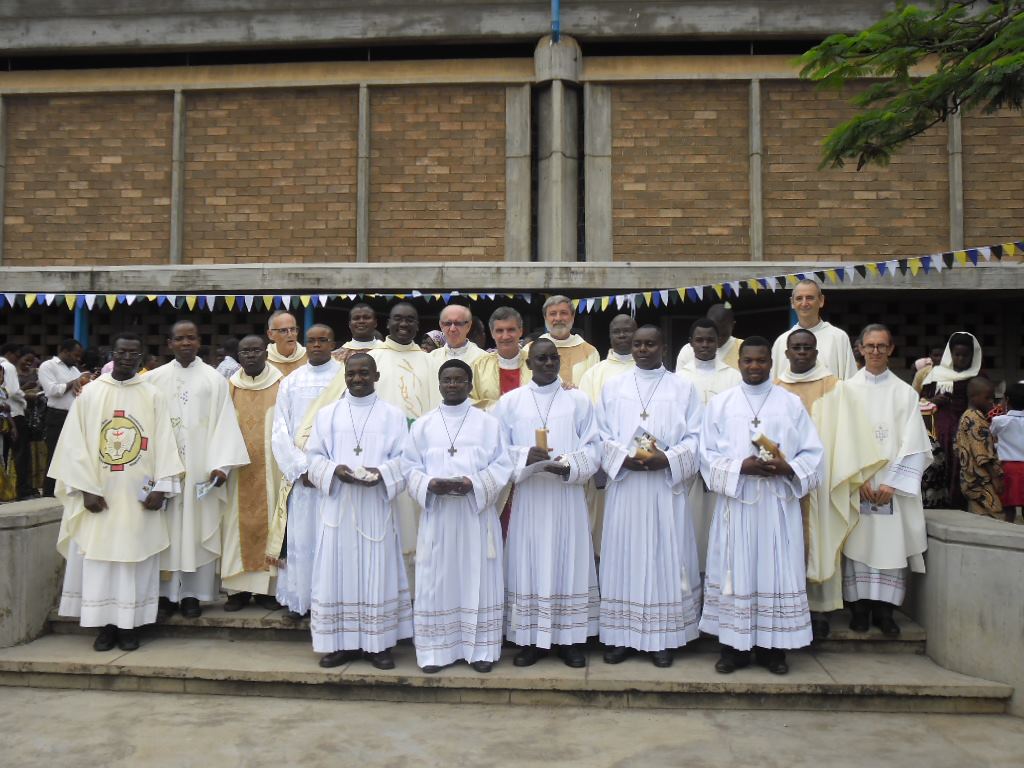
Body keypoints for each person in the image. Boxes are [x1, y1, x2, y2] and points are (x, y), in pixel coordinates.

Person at [51, 332, 184, 652]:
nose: (127, 358)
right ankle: (105, 626)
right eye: (122, 352)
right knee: (101, 559)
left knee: (136, 559)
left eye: (133, 353)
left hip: (139, 496)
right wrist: (84, 490)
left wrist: (163, 489)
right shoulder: (91, 394)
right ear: (113, 354)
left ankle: (131, 626)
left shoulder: (152, 395)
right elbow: (74, 445)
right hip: (101, 493)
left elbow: (166, 441)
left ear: (140, 357)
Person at [700, 337, 823, 675]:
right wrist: (741, 466)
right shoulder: (721, 404)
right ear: (738, 363)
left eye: (761, 361)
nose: (754, 367)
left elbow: (813, 454)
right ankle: (732, 649)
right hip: (737, 504)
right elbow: (706, 455)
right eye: (748, 361)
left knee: (775, 573)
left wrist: (787, 468)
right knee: (734, 573)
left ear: (771, 363)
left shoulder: (790, 404)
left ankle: (773, 650)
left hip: (776, 507)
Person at [597, 326, 704, 668]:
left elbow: (696, 437)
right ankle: (621, 636)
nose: (642, 349)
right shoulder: (613, 388)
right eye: (637, 343)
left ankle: (663, 638)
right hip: (626, 488)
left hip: (663, 490)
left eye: (650, 343)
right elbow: (600, 435)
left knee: (664, 560)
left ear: (664, 346)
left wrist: (668, 459)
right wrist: (622, 457)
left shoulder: (683, 387)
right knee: (624, 558)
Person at [402, 359, 513, 673]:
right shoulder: (423, 425)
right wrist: (429, 484)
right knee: (437, 581)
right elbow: (409, 467)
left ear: (469, 384)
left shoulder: (488, 423)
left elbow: (503, 465)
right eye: (447, 380)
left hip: (475, 516)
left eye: (459, 380)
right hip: (438, 517)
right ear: (439, 384)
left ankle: (480, 650)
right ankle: (436, 651)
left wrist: (474, 484)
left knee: (477, 578)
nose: (452, 385)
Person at [495, 339, 600, 668]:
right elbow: (497, 450)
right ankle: (532, 640)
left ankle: (568, 639)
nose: (547, 363)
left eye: (553, 358)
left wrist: (569, 464)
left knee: (568, 561)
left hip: (566, 496)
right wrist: (523, 455)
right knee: (531, 562)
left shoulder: (578, 400)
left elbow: (595, 446)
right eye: (540, 359)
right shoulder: (510, 403)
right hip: (530, 499)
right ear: (528, 364)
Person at [775, 329, 885, 640]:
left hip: (822, 480)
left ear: (816, 351)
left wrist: (844, 472)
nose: (801, 353)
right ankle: (786, 606)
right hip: (783, 482)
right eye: (796, 348)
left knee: (820, 539)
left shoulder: (836, 388)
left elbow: (850, 434)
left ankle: (819, 610)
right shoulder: (775, 388)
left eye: (807, 348)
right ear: (786, 353)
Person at [305, 353, 413, 669]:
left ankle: (377, 645)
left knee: (376, 572)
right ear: (345, 377)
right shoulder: (328, 415)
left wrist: (381, 473)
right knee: (337, 574)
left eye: (364, 373)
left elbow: (405, 459)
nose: (357, 379)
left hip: (375, 507)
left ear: (376, 376)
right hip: (338, 508)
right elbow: (312, 457)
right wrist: (334, 470)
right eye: (351, 374)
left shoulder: (393, 415)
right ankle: (340, 644)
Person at [146, 320, 249, 620]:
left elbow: (225, 422)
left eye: (191, 338)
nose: (186, 343)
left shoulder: (213, 380)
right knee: (165, 531)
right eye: (180, 339)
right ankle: (166, 595)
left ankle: (193, 595)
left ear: (199, 341)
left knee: (196, 530)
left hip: (200, 470)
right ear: (169, 343)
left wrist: (222, 466)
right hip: (165, 468)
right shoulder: (154, 379)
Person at [842, 324, 931, 636]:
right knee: (859, 543)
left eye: (881, 346)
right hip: (860, 487)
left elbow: (915, 443)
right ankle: (860, 610)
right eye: (870, 346)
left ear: (891, 349)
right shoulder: (846, 391)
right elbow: (841, 439)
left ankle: (886, 612)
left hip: (891, 487)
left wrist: (893, 483)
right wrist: (856, 479)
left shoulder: (905, 394)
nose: (875, 352)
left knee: (890, 546)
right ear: (860, 349)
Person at [270, 324, 342, 620]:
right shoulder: (292, 381)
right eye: (311, 341)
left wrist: (326, 471)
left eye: (322, 340)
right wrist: (301, 470)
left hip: (332, 478)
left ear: (332, 343)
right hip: (302, 478)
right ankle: (300, 601)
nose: (316, 346)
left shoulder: (344, 378)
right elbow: (280, 429)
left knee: (331, 541)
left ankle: (331, 602)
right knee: (302, 538)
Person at [369, 302, 439, 563]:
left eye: (410, 320)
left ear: (418, 326)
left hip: (419, 454)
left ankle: (414, 589)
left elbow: (437, 407)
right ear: (387, 323)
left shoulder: (428, 360)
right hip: (381, 455)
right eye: (398, 319)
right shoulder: (373, 358)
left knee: (417, 518)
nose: (403, 324)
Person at [220, 335, 284, 611]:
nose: (250, 355)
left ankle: (268, 591)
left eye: (256, 350)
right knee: (235, 526)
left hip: (272, 470)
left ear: (265, 353)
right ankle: (237, 591)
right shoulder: (230, 386)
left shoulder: (281, 384)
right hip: (238, 472)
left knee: (271, 525)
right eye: (244, 351)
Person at [675, 318, 741, 572]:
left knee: (720, 530)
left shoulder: (733, 377)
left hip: (721, 467)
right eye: (699, 340)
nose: (704, 345)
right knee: (691, 529)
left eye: (710, 340)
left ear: (719, 342)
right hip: (689, 470)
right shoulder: (678, 379)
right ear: (690, 343)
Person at [576, 314, 637, 554]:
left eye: (627, 330)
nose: (622, 335)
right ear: (610, 335)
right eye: (616, 331)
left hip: (644, 461)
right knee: (604, 527)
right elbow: (587, 420)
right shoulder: (594, 373)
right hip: (607, 463)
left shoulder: (649, 369)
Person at [920, 332, 983, 509]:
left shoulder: (978, 376)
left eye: (965, 355)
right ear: (950, 354)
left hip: (967, 430)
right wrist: (933, 401)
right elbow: (922, 401)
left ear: (973, 355)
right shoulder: (936, 374)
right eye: (957, 354)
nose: (961, 359)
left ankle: (958, 503)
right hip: (939, 430)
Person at [770, 280, 857, 381]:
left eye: (810, 298)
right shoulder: (782, 341)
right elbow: (774, 385)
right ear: (792, 303)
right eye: (799, 298)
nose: (804, 303)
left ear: (821, 301)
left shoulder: (838, 337)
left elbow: (851, 383)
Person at [38, 339, 91, 496]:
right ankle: (49, 492)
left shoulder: (74, 369)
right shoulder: (48, 366)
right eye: (76, 355)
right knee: (55, 453)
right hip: (56, 415)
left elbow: (79, 389)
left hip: (74, 415)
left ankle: (65, 490)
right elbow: (52, 390)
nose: (78, 359)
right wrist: (73, 383)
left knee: (72, 454)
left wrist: (86, 382)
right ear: (65, 352)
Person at [956, 377, 1004, 521]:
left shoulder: (965, 416)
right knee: (996, 515)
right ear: (973, 397)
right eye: (987, 397)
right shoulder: (976, 418)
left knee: (979, 518)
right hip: (982, 480)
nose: (991, 401)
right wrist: (995, 478)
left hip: (969, 479)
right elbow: (981, 452)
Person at [471, 307, 532, 411]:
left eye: (511, 330)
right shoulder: (479, 366)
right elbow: (469, 401)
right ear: (492, 333)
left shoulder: (536, 363)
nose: (505, 336)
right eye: (499, 331)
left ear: (521, 331)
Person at [536, 295, 599, 386]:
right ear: (545, 318)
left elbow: (594, 388)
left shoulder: (589, 352)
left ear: (573, 316)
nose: (558, 318)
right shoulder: (530, 349)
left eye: (563, 313)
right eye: (553, 314)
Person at [991, 382, 1024, 524]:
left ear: (1007, 400)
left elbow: (991, 437)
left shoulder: (999, 421)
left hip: (1009, 469)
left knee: (1008, 508)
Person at [675, 304, 744, 371]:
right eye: (714, 335)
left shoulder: (744, 348)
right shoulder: (688, 350)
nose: (719, 339)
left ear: (733, 325)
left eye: (723, 335)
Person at [16, 349, 47, 497]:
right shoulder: (10, 374)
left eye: (31, 361)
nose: (28, 363)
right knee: (21, 453)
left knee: (33, 452)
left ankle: (34, 484)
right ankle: (22, 486)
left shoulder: (37, 373)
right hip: (20, 416)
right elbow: (12, 393)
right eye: (26, 360)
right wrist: (25, 389)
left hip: (35, 418)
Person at [266, 311, 308, 377]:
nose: (290, 334)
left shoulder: (309, 357)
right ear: (270, 334)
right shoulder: (264, 360)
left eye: (293, 329)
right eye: (283, 330)